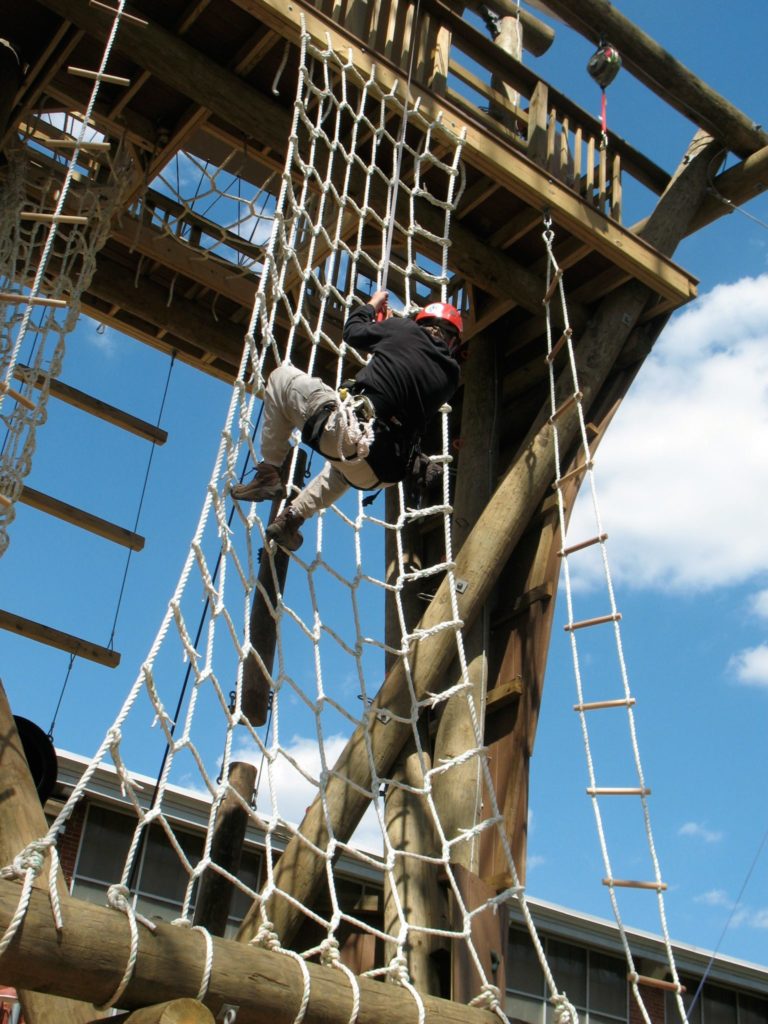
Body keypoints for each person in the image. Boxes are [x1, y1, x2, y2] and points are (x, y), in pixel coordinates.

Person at [230, 289, 463, 551]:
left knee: (281, 377)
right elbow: (409, 368)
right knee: (342, 469)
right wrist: (387, 331)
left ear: (421, 322)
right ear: (452, 343)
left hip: (350, 437)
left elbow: (353, 333)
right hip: (382, 472)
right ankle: (291, 519)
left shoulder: (403, 329)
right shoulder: (451, 378)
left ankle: (269, 472)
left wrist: (371, 308)